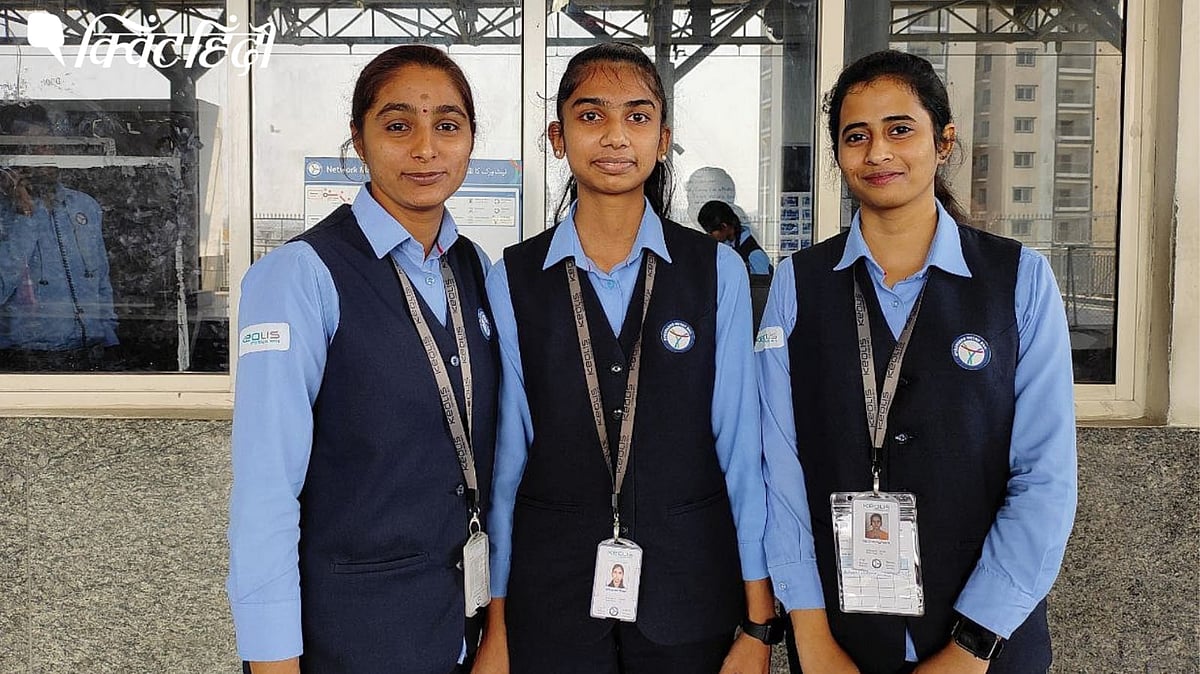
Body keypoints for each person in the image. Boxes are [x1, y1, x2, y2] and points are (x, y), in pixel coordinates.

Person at [758, 50, 1076, 674]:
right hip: (840, 642)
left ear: (943, 142)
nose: (878, 152)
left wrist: (972, 645)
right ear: (838, 155)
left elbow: (1045, 478)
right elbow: (780, 468)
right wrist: (811, 634)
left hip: (986, 646)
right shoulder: (797, 283)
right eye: (856, 136)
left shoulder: (1019, 279)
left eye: (900, 129)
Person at [476, 43, 778, 674]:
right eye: (591, 116)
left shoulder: (715, 271)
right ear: (557, 137)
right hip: (551, 597)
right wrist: (497, 626)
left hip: (689, 590)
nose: (615, 136)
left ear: (662, 140)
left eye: (637, 117)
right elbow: (507, 466)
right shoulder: (514, 278)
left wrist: (758, 622)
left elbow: (739, 451)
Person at [227, 45, 498, 674]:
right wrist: (272, 661)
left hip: (457, 630)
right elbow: (265, 492)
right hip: (349, 639)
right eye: (398, 126)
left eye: (448, 126)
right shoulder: (299, 276)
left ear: (469, 140)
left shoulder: (475, 269)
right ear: (358, 139)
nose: (426, 149)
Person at [0, 103, 118, 370]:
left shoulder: (84, 206)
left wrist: (109, 337)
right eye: (30, 147)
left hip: (90, 349)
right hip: (26, 356)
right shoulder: (6, 215)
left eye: (47, 144)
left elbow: (101, 279)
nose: (43, 154)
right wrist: (24, 214)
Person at [698, 199, 773, 275]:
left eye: (711, 232)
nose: (709, 236)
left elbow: (762, 282)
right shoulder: (725, 246)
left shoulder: (755, 255)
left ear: (724, 226)